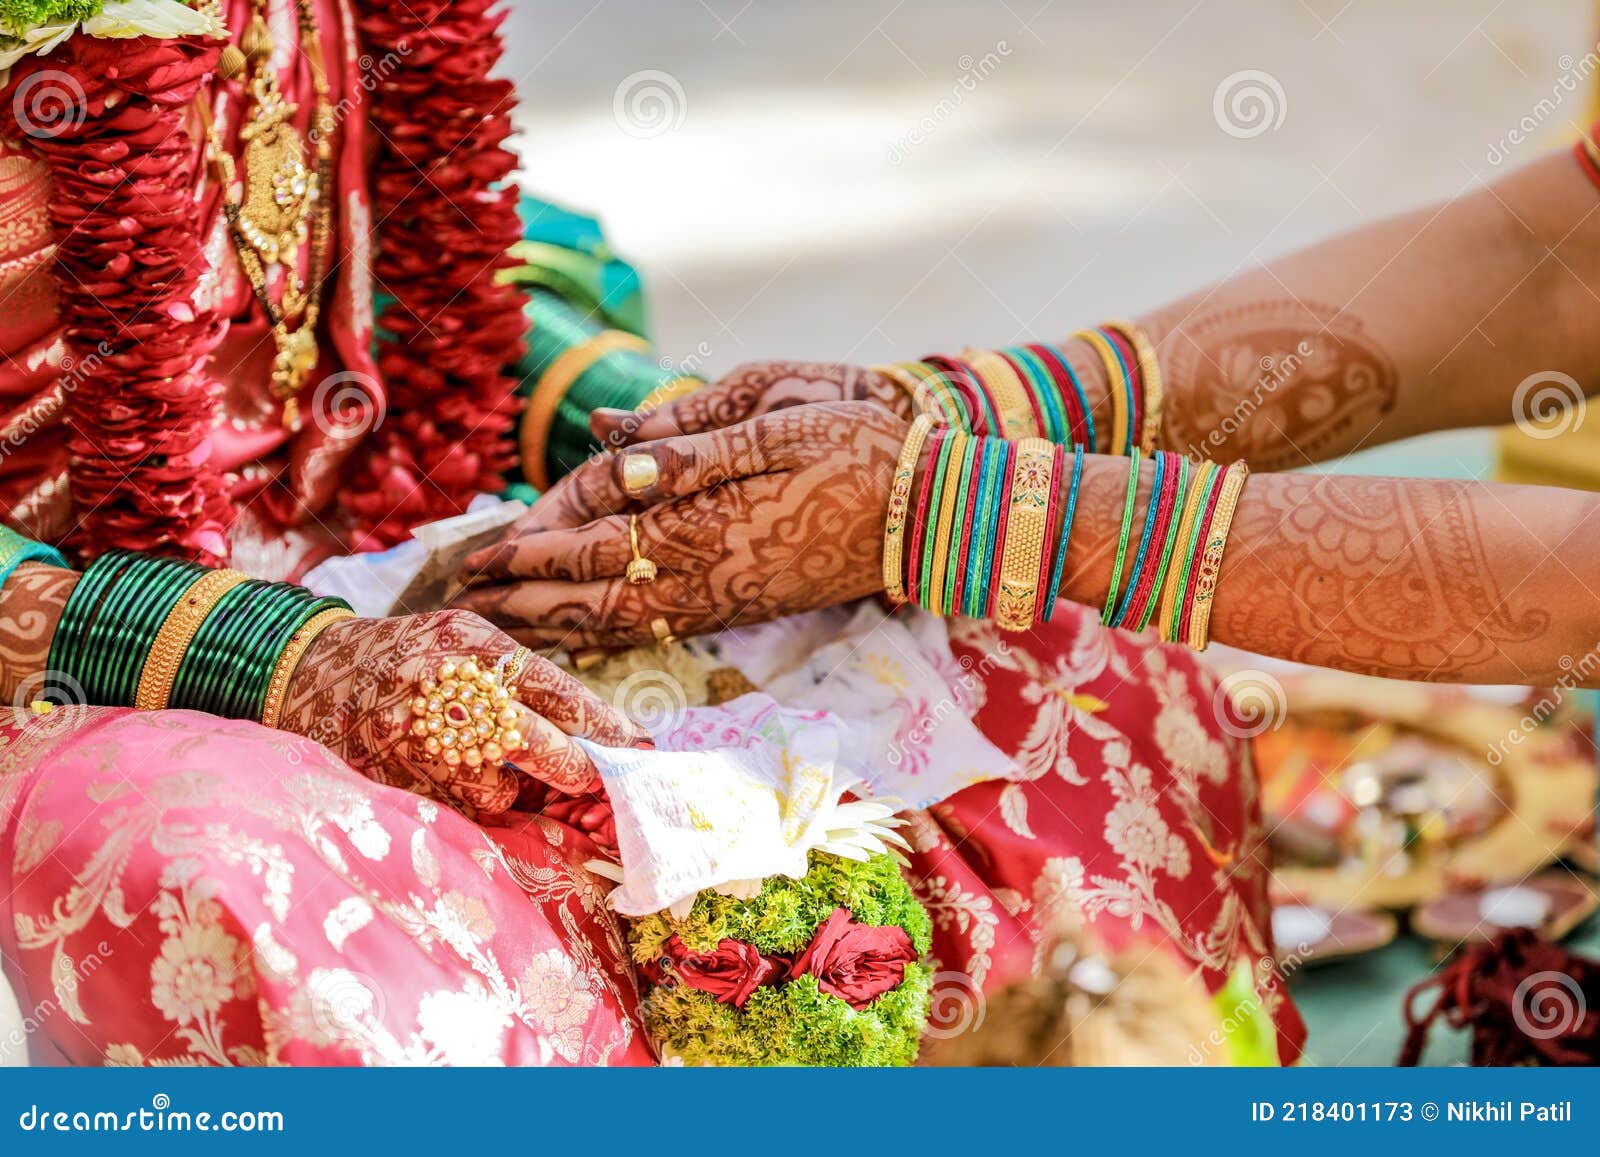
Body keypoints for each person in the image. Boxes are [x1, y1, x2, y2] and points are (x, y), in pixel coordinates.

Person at [1, 3, 1597, 1067]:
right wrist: (894, 417)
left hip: (428, 564)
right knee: (189, 855)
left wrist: (958, 498)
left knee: (1074, 673)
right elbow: (1564, 259)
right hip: (95, 642)